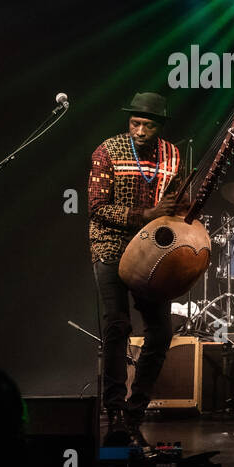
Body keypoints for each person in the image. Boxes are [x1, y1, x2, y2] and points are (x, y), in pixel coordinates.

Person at [88, 92, 186, 447]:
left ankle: (134, 414)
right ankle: (113, 414)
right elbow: (97, 208)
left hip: (151, 251)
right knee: (117, 324)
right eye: (134, 123)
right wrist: (144, 215)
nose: (140, 130)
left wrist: (182, 212)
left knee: (160, 332)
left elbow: (179, 204)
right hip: (111, 246)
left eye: (147, 124)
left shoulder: (173, 155)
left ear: (159, 126)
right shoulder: (108, 151)